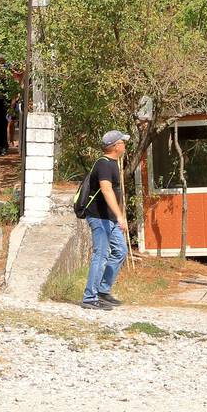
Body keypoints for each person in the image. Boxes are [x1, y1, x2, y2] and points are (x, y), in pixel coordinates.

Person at [81, 131, 131, 310]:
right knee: (100, 255)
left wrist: (118, 216)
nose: (124, 146)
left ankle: (102, 291)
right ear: (115, 146)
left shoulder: (112, 164)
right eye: (122, 143)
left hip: (109, 218)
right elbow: (106, 190)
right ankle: (89, 297)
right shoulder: (104, 164)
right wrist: (119, 216)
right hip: (99, 217)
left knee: (120, 251)